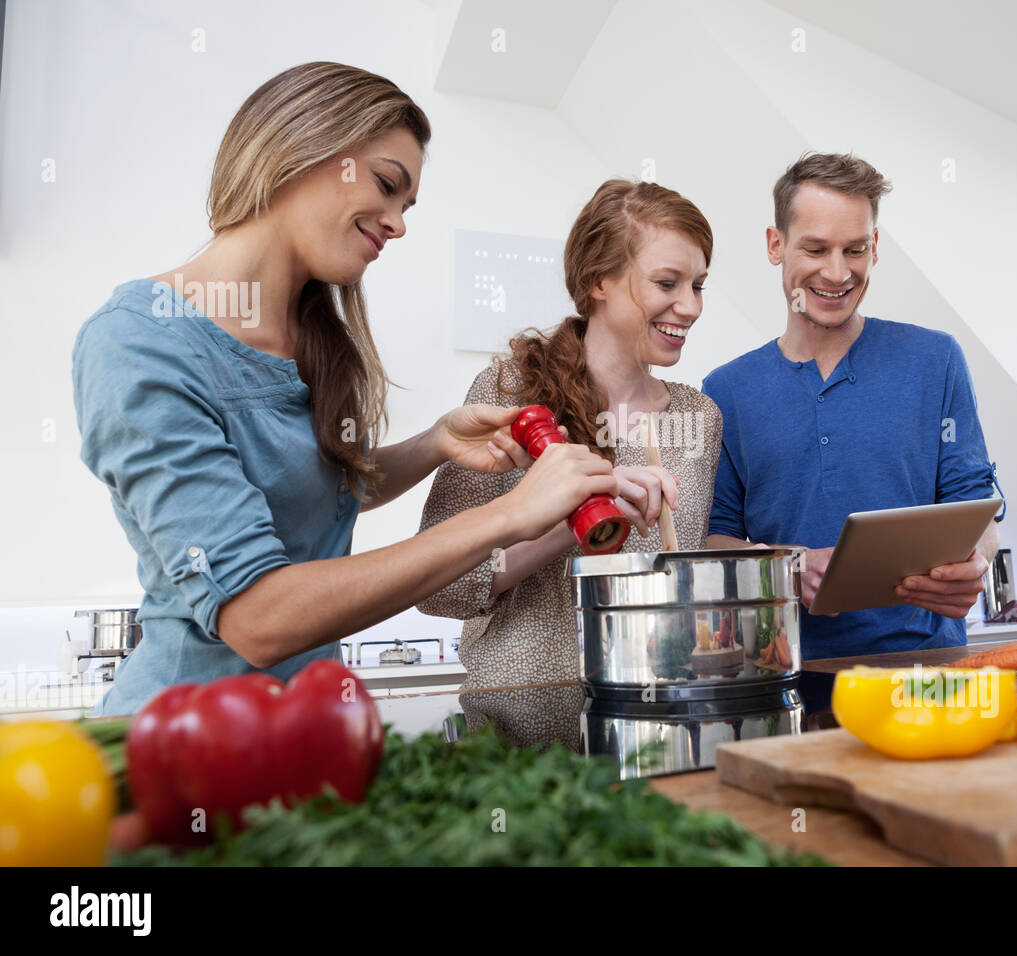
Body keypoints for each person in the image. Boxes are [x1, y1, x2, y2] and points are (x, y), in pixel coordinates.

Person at [73, 62, 616, 716]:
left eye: (407, 204)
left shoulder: (313, 341)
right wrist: (506, 515)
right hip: (183, 747)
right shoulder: (139, 340)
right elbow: (258, 616)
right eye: (387, 186)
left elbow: (314, 491)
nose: (399, 223)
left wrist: (437, 441)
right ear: (300, 149)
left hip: (309, 738)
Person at [417, 179, 722, 748]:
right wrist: (573, 523)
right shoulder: (511, 393)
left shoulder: (697, 417)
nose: (691, 306)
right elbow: (438, 586)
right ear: (597, 281)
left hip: (655, 737)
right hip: (519, 745)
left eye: (699, 285)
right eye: (667, 283)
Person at [703, 152, 1004, 675]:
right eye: (815, 249)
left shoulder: (936, 360)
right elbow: (713, 539)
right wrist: (788, 567)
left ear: (876, 247)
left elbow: (975, 507)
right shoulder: (726, 390)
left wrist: (975, 561)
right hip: (782, 676)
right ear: (776, 245)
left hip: (928, 672)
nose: (838, 273)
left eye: (855, 249)